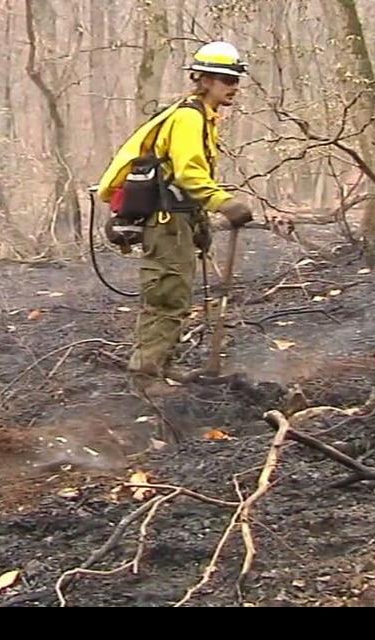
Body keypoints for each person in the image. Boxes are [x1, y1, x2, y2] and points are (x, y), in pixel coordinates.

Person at [96, 42, 256, 394]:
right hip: (165, 222)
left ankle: (162, 364)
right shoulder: (188, 117)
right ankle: (145, 375)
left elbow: (182, 178)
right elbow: (188, 174)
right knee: (166, 293)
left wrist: (199, 224)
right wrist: (224, 204)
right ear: (204, 79)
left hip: (178, 219)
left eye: (235, 79)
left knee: (177, 292)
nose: (233, 86)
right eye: (226, 79)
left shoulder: (204, 118)